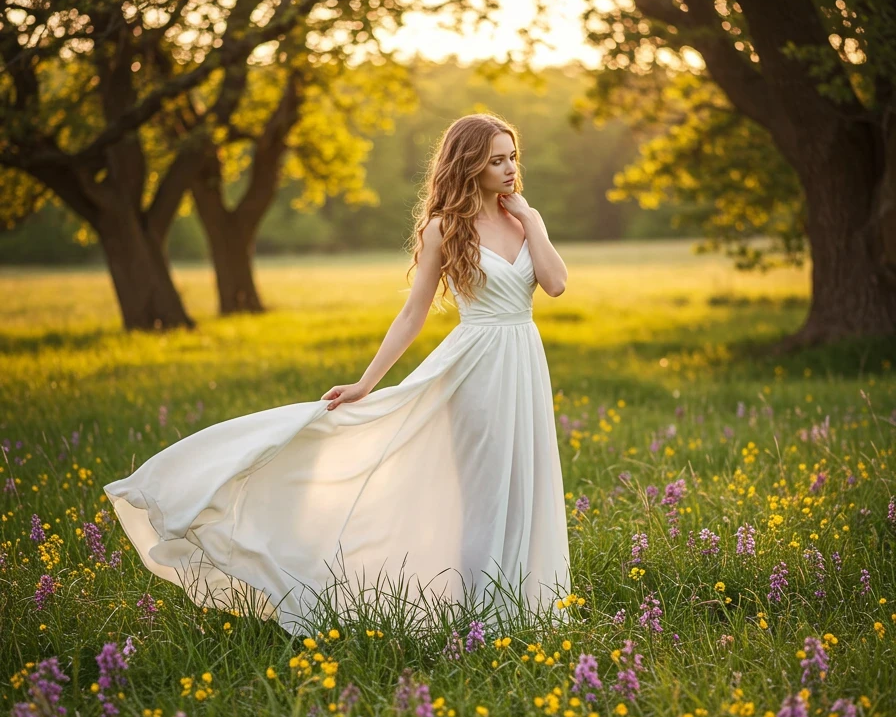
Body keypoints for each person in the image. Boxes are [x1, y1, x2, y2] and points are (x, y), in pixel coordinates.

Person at [104, 112, 572, 635]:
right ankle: (480, 616)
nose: (510, 169)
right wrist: (367, 382)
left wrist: (530, 220)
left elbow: (554, 285)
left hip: (524, 362)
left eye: (512, 158)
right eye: (496, 160)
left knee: (527, 482)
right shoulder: (446, 227)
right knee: (484, 493)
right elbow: (413, 314)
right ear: (468, 166)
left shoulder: (525, 220)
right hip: (475, 369)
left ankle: (526, 610)